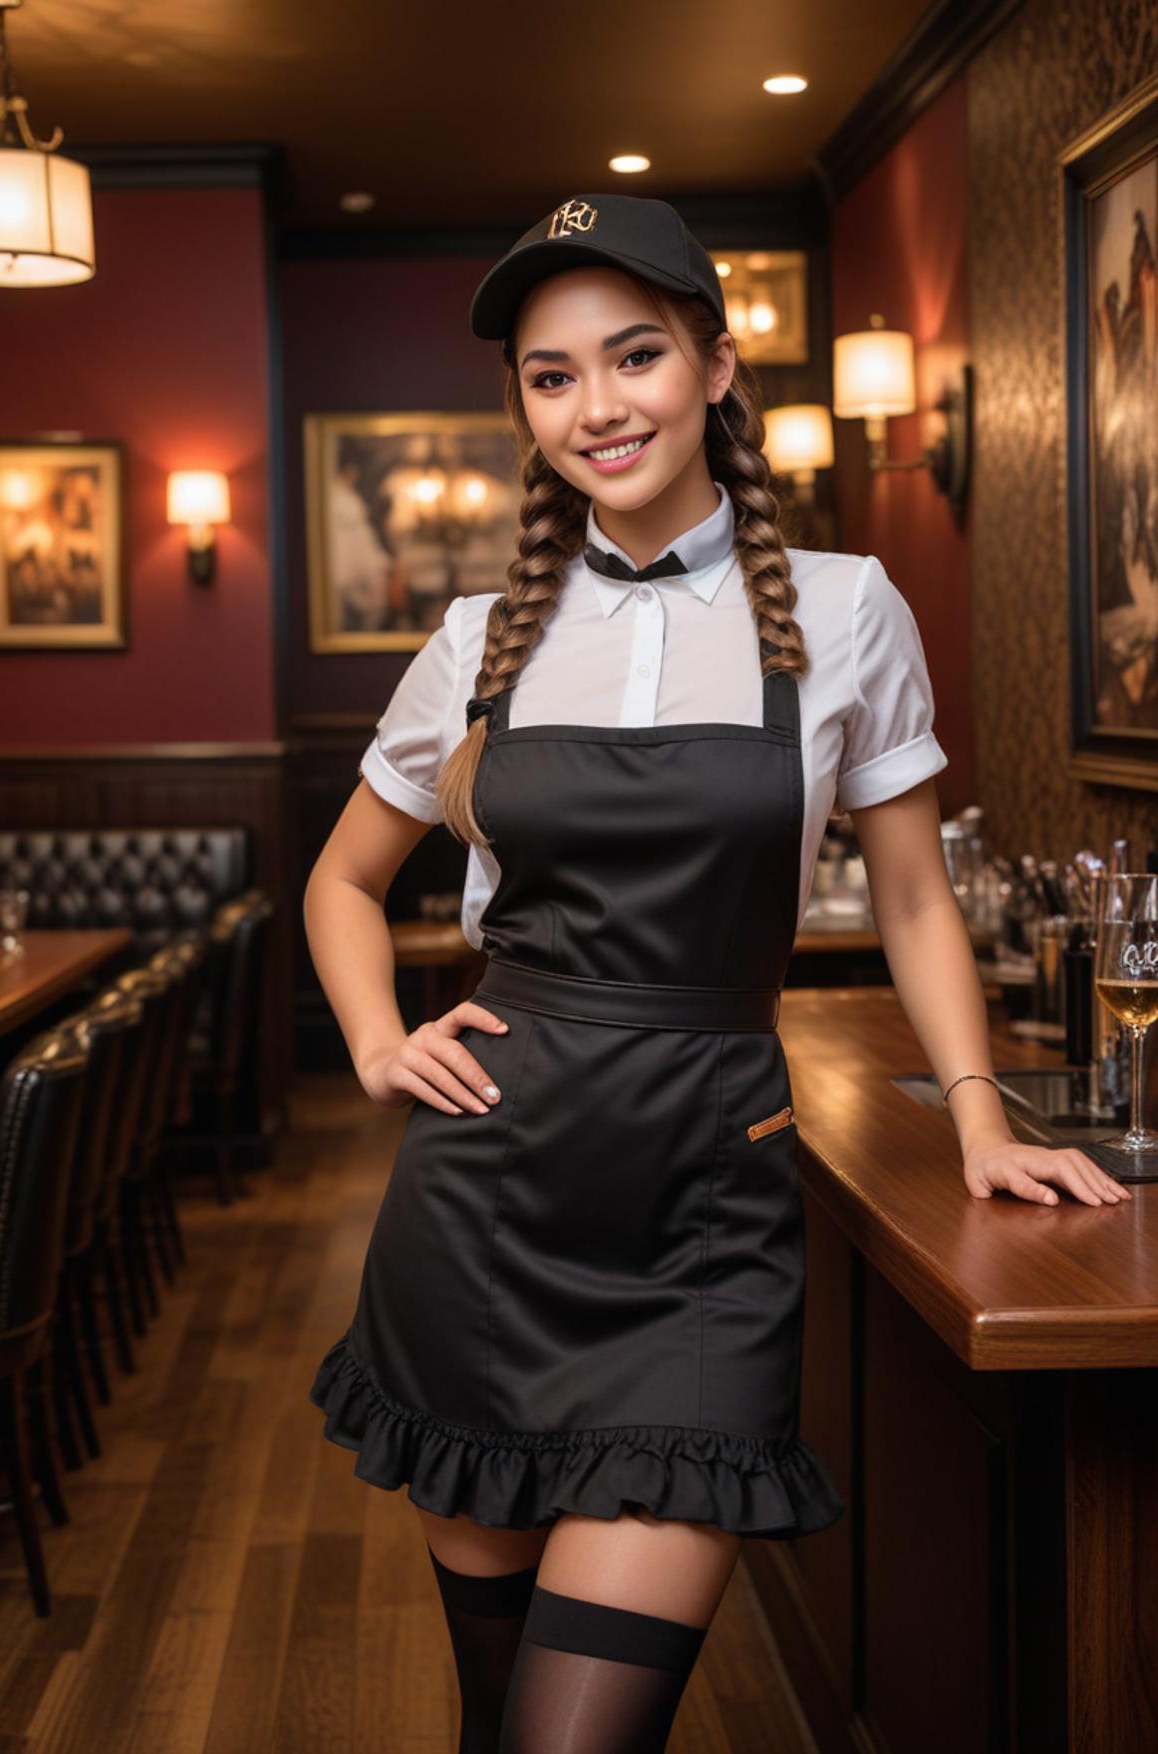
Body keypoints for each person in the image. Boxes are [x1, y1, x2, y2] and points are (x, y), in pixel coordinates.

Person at [303, 193, 1131, 1754]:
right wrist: (373, 1039)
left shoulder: (846, 605)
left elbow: (914, 896)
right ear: (524, 407)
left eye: (635, 356)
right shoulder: (478, 639)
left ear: (717, 364)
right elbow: (341, 880)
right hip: (482, 1209)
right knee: (501, 1722)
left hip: (700, 1217)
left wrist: (978, 1117)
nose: (598, 406)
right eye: (553, 376)